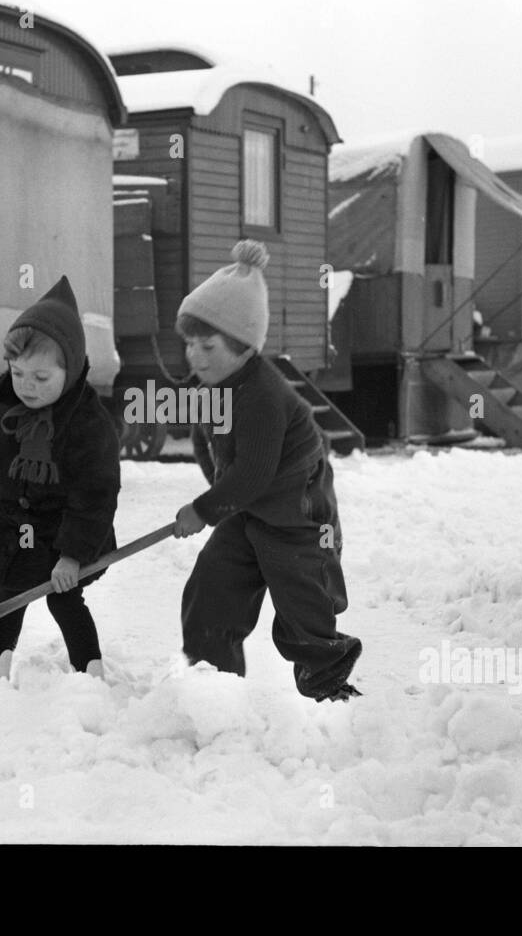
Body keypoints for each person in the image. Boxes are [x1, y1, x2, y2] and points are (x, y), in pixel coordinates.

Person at [172, 240, 362, 702]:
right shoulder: (212, 386)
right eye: (190, 344)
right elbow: (209, 444)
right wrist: (221, 495)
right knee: (214, 584)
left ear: (242, 346)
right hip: (248, 505)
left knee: (303, 599)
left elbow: (254, 471)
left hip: (297, 509)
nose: (195, 357)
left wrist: (207, 508)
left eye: (208, 345)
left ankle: (327, 687)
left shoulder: (261, 394)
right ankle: (212, 679)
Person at [0, 276, 120, 682]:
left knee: (65, 601)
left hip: (65, 528)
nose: (26, 385)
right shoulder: (4, 396)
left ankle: (89, 677)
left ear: (71, 369)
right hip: (15, 524)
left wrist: (73, 554)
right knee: (8, 596)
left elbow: (96, 494)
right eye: (18, 372)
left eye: (41, 378)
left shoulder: (88, 423)